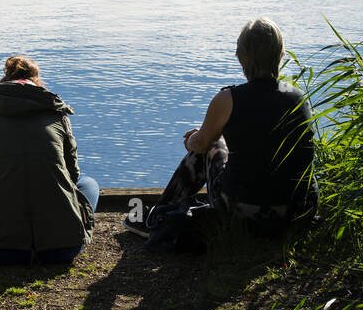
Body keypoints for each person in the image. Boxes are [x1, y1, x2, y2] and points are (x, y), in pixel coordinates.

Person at [129, 18, 318, 244]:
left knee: (210, 145)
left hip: (245, 212)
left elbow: (200, 145)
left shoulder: (228, 99)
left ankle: (154, 219)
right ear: (280, 54)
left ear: (242, 57)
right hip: (297, 212)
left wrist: (194, 140)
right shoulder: (297, 97)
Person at [0, 55, 98, 264]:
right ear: (36, 81)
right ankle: (67, 231)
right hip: (61, 249)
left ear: (5, 78)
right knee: (89, 184)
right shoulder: (56, 111)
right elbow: (73, 175)